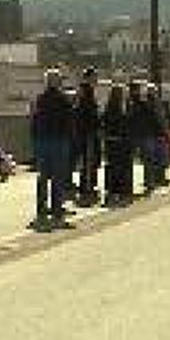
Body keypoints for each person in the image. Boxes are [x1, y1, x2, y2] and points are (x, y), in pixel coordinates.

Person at [30, 68, 75, 231]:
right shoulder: (63, 100)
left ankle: (41, 208)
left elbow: (34, 121)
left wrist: (35, 140)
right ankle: (57, 208)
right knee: (58, 177)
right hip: (58, 141)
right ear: (57, 82)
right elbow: (69, 122)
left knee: (43, 177)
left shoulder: (39, 99)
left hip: (42, 141)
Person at [102, 83, 134, 207]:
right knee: (122, 165)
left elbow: (105, 123)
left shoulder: (109, 108)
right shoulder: (124, 108)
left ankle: (112, 189)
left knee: (112, 166)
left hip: (112, 141)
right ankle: (123, 189)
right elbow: (127, 124)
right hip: (121, 141)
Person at [74, 68, 102, 206]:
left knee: (90, 160)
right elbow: (88, 114)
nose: (96, 80)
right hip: (88, 133)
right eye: (95, 77)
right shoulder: (86, 92)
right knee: (89, 160)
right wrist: (97, 125)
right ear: (89, 78)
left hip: (85, 132)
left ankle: (88, 185)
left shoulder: (83, 92)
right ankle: (87, 186)